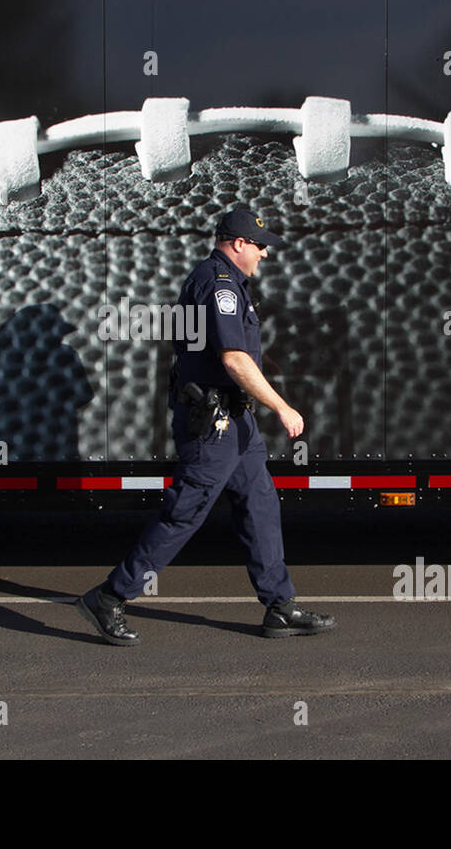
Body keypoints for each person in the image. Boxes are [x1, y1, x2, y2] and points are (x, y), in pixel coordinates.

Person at [75, 208, 336, 644]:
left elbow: (239, 354)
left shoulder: (232, 284)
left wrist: (262, 376)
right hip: (213, 426)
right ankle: (109, 597)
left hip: (236, 421)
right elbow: (232, 357)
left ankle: (279, 607)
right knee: (184, 514)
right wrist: (282, 406)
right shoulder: (218, 285)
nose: (265, 253)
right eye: (259, 244)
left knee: (260, 505)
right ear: (237, 243)